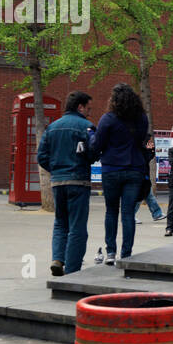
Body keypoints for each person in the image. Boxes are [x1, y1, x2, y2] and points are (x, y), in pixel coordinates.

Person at [89, 83, 152, 264]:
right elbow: (143, 140)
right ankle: (126, 254)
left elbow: (97, 145)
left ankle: (110, 253)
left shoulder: (108, 119)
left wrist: (91, 135)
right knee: (127, 213)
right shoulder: (142, 119)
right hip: (135, 169)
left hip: (112, 169)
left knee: (111, 211)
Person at [36, 91, 95, 275]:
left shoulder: (52, 127)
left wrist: (55, 169)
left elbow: (41, 156)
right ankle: (72, 268)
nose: (89, 112)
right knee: (77, 226)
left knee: (60, 222)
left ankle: (58, 258)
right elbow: (93, 152)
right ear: (80, 107)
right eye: (88, 108)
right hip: (78, 181)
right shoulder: (87, 126)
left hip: (57, 181)